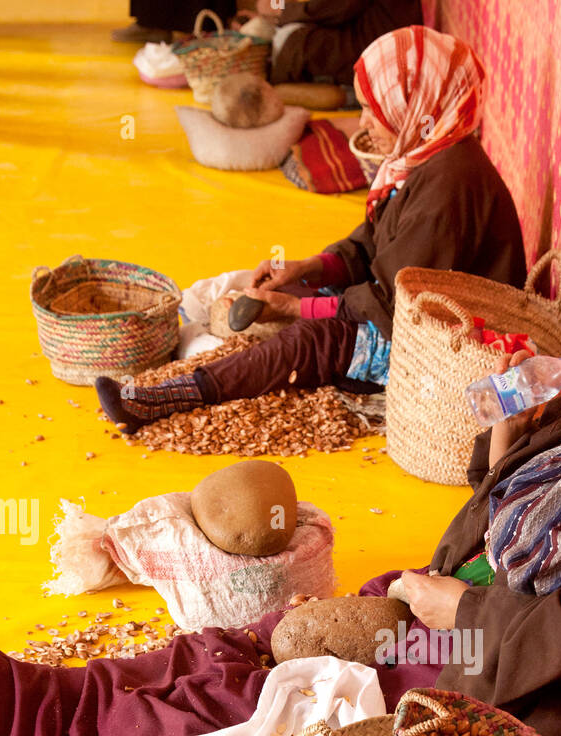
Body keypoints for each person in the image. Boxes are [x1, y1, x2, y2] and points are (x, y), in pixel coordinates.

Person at [0, 237, 561, 736]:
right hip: (464, 614)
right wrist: (505, 418)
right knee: (246, 647)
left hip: (534, 685)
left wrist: (454, 609)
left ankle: (28, 718)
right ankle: (67, 735)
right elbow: (496, 494)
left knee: (276, 704)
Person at [95, 25, 526, 435]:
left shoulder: (452, 184)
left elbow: (395, 304)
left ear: (412, 106)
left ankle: (166, 398)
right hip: (396, 306)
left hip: (444, 344)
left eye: (371, 112)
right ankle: (215, 364)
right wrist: (307, 269)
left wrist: (292, 310)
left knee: (309, 340)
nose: (361, 124)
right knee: (297, 296)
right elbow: (370, 244)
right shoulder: (426, 154)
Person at [264, 0, 424, 87]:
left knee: (296, 44)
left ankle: (273, 86)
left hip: (382, 47)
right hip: (375, 36)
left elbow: (335, 8)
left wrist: (282, 11)